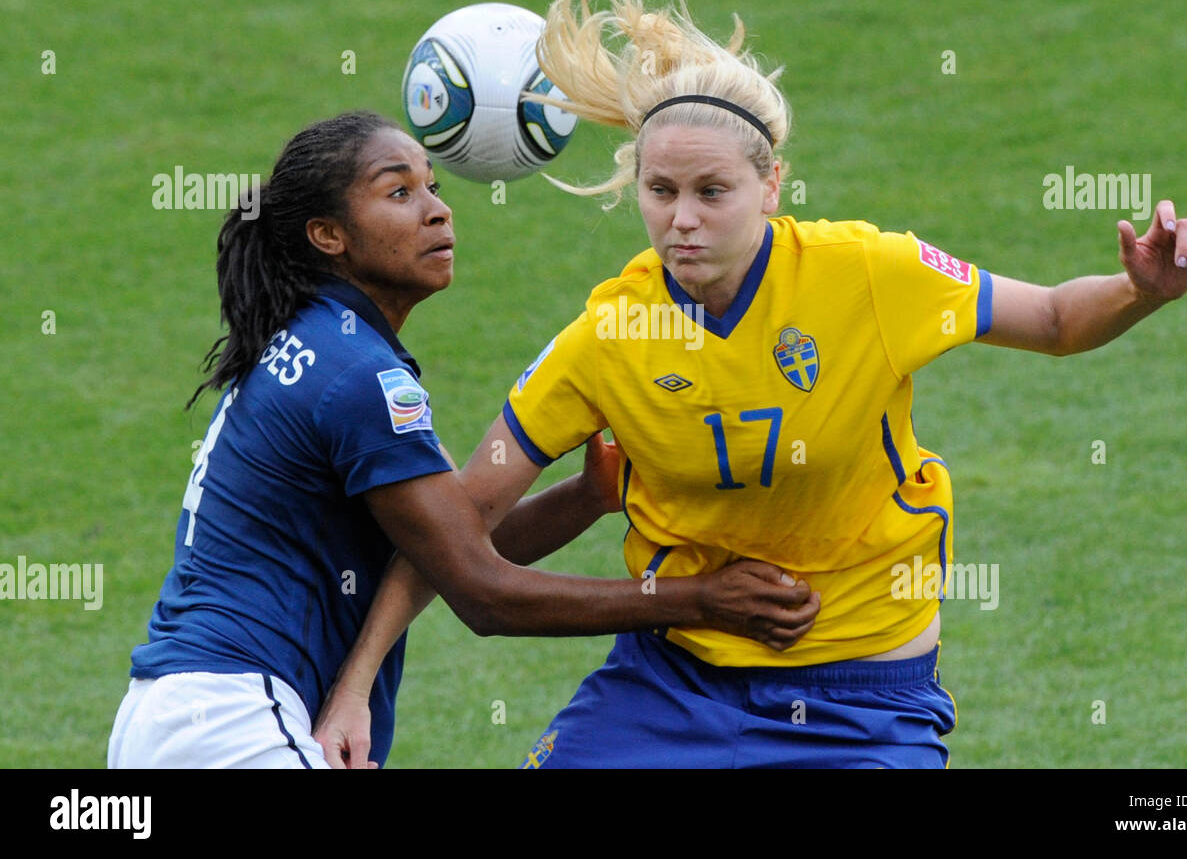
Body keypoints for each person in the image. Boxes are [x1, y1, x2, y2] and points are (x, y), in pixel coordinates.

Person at [314, 0, 1187, 769]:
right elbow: (461, 528)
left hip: (865, 694)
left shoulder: (871, 275)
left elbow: (1057, 320)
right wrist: (354, 686)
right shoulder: (611, 333)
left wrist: (1142, 291)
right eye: (661, 193)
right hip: (672, 681)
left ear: (772, 186)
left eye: (714, 192)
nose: (683, 222)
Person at [108, 110, 819, 769]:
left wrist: (588, 495)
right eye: (398, 194)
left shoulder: (322, 347)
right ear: (329, 235)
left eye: (433, 186)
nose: (438, 209)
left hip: (179, 715)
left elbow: (453, 553)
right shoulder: (356, 375)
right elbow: (483, 595)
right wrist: (700, 599)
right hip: (235, 722)